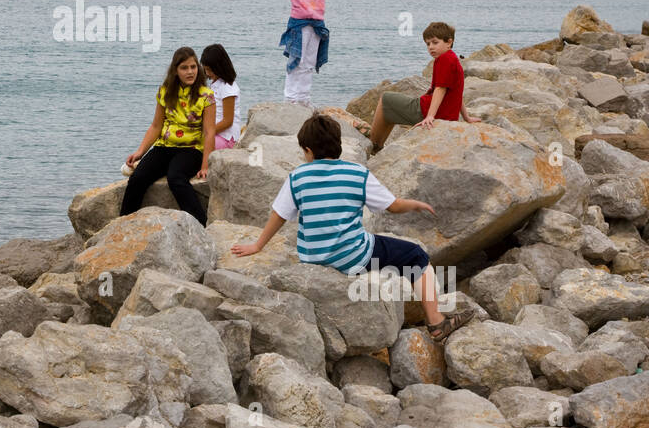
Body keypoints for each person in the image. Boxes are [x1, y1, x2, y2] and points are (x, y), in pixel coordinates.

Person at [231, 112, 473, 342]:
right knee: (416, 256)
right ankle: (436, 322)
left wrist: (257, 245)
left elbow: (279, 214)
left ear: (308, 150)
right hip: (352, 257)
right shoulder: (357, 174)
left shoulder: (298, 176)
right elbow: (393, 206)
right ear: (339, 144)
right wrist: (415, 204)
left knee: (383, 245)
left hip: (312, 255)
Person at [121, 47, 215, 224]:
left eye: (193, 67)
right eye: (184, 68)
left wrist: (205, 165)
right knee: (137, 179)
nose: (190, 72)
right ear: (176, 70)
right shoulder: (165, 91)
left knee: (176, 178)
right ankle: (123, 224)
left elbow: (210, 132)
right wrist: (139, 152)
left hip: (192, 149)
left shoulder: (206, 96)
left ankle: (202, 224)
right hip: (164, 147)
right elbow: (156, 125)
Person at [369, 21, 480, 154]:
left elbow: (441, 89)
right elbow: (457, 92)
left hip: (430, 112)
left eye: (435, 42)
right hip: (443, 113)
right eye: (428, 44)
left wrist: (430, 116)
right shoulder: (452, 58)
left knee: (386, 99)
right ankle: (377, 146)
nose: (431, 47)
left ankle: (372, 146)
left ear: (449, 42)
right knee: (391, 109)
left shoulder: (445, 60)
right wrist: (466, 117)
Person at [266, 0, 349, 105]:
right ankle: (290, 99)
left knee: (309, 63)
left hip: (317, 24)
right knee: (296, 61)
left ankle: (303, 99)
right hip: (298, 23)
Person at [201, 43, 242, 149]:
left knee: (198, 147)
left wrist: (207, 133)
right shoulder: (216, 84)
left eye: (209, 70)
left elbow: (227, 121)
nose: (207, 73)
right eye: (205, 69)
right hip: (216, 132)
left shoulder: (227, 87)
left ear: (219, 67)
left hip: (227, 138)